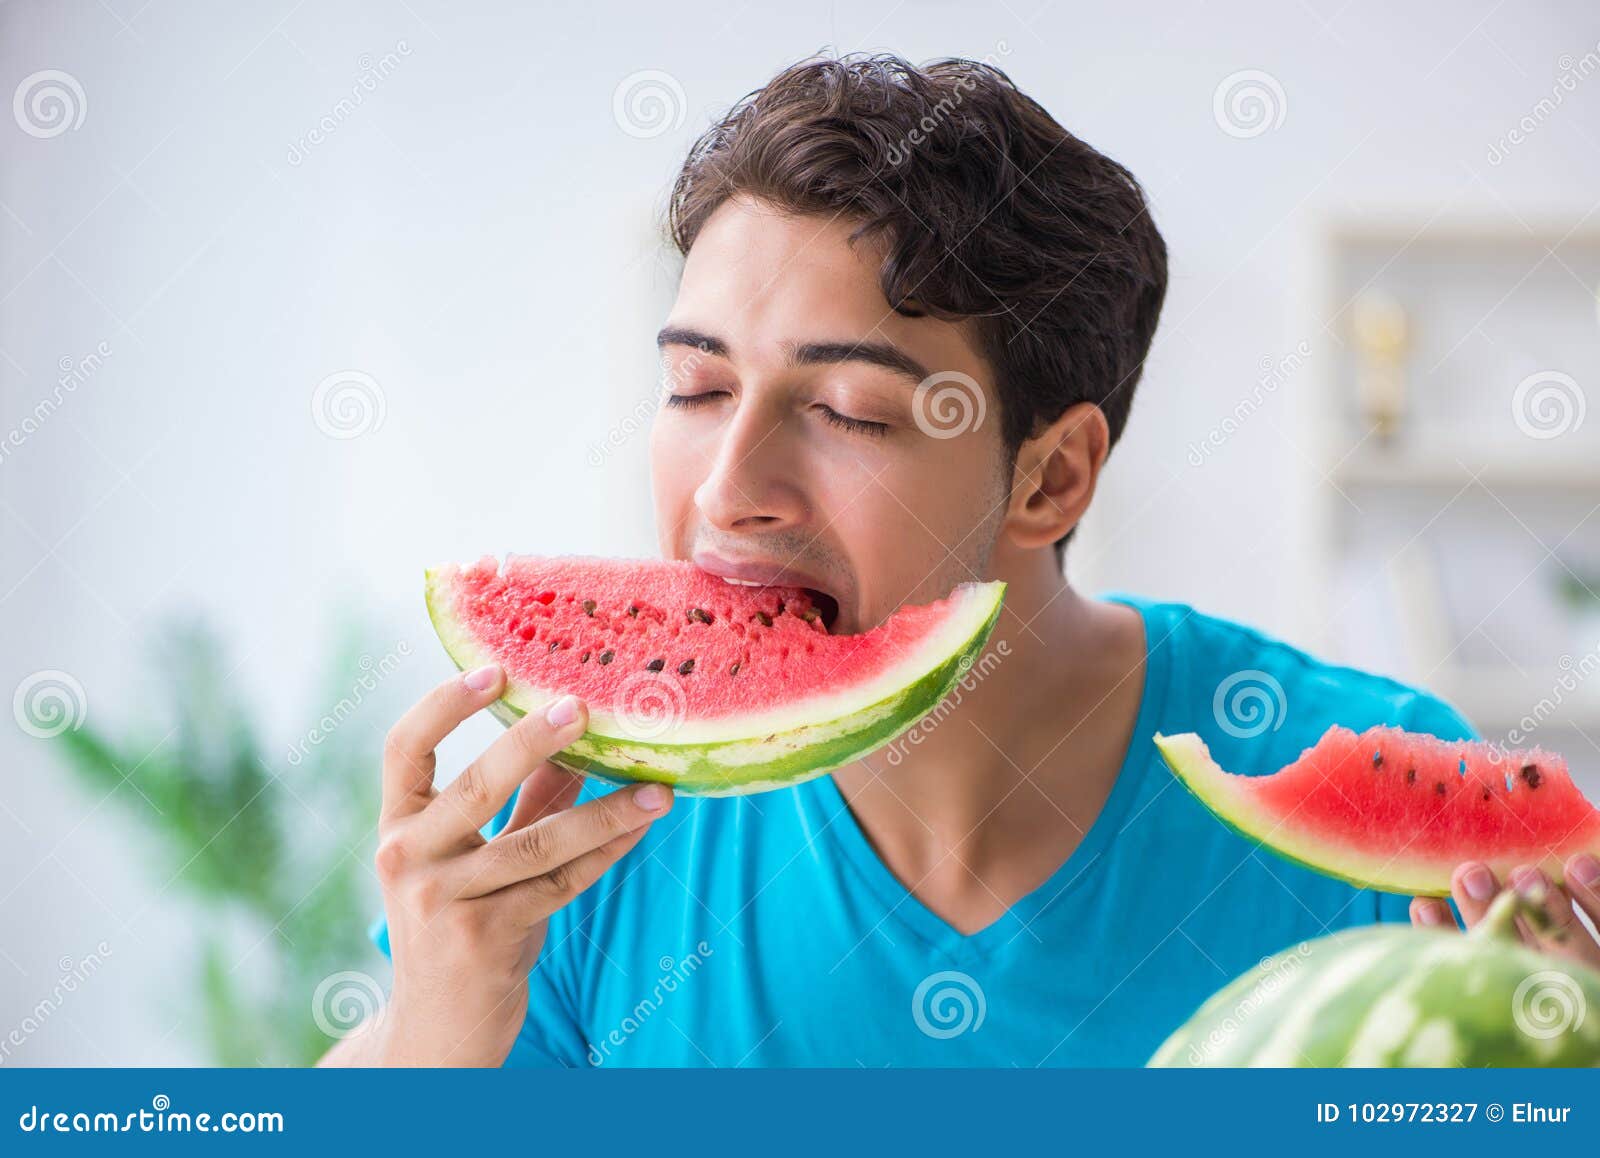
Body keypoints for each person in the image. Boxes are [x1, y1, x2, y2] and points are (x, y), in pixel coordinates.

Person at [320, 53, 1600, 1067]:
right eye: (695, 385)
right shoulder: (556, 842)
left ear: (1051, 476)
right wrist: (435, 1031)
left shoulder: (1399, 852)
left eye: (851, 414)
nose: (728, 490)